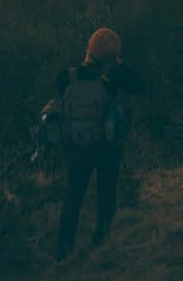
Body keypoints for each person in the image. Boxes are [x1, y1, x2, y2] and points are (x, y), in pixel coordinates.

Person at [55, 27, 142, 261]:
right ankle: (101, 246)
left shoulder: (66, 77)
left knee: (72, 201)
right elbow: (140, 87)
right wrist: (120, 66)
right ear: (113, 57)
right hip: (106, 149)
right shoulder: (115, 77)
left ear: (88, 50)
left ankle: (63, 254)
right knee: (106, 198)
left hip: (77, 148)